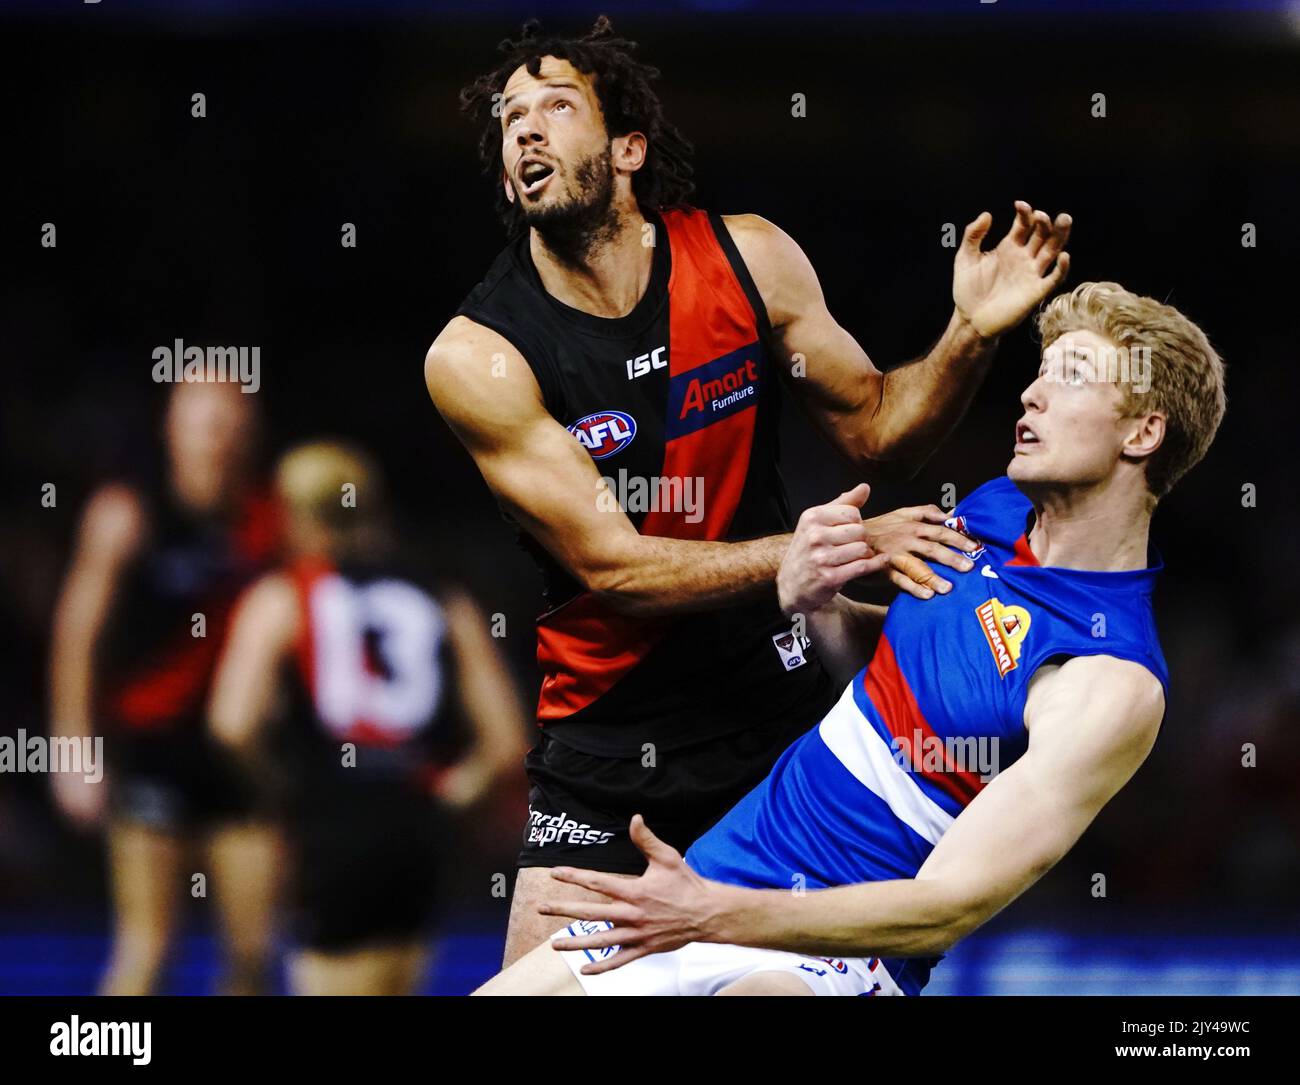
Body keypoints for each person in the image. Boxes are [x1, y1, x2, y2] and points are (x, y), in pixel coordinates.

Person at [426, 15, 1073, 963]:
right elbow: (617, 569)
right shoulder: (479, 356)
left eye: (556, 107)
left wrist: (970, 333)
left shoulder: (747, 260)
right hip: (607, 752)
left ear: (628, 147)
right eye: (510, 117)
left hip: (781, 731)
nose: (525, 129)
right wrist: (808, 555)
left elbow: (880, 432)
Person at [475, 280, 1226, 996]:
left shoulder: (1111, 678)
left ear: (1143, 432)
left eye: (1073, 377)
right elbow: (908, 671)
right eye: (1040, 373)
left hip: (834, 953)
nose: (1032, 393)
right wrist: (818, 602)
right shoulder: (994, 511)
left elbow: (948, 901)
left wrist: (717, 914)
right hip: (728, 869)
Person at [209, 441, 527, 995]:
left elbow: (232, 723)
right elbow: (505, 741)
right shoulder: (439, 594)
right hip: (416, 833)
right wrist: (451, 794)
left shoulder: (284, 595)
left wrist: (283, 790)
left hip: (332, 832)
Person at [49, 379, 283, 995]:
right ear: (171, 428)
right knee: (148, 950)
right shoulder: (126, 512)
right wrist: (72, 746)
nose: (218, 436)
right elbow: (78, 634)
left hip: (243, 756)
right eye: (204, 421)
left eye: (231, 422)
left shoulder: (270, 516)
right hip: (152, 749)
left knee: (255, 954)